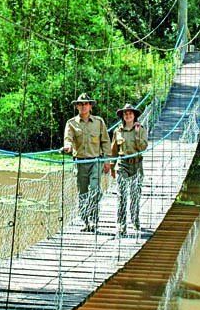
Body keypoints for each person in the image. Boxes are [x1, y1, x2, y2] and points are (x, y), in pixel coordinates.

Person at [61, 93, 111, 232]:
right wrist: (68, 146)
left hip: (96, 161)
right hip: (80, 162)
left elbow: (106, 142)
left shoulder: (99, 122)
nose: (83, 106)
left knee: (95, 190)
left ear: (90, 106)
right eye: (81, 104)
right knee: (82, 193)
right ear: (77, 106)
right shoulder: (71, 123)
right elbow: (68, 138)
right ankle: (85, 221)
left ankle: (94, 220)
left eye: (86, 104)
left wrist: (107, 161)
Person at [111, 103, 148, 235]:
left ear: (134, 115)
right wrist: (111, 166)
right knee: (122, 195)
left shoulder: (142, 129)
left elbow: (143, 148)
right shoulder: (118, 131)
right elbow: (114, 150)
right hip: (122, 164)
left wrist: (137, 134)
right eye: (125, 113)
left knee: (135, 194)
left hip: (137, 165)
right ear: (122, 116)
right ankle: (121, 224)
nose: (128, 115)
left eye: (130, 113)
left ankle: (135, 219)